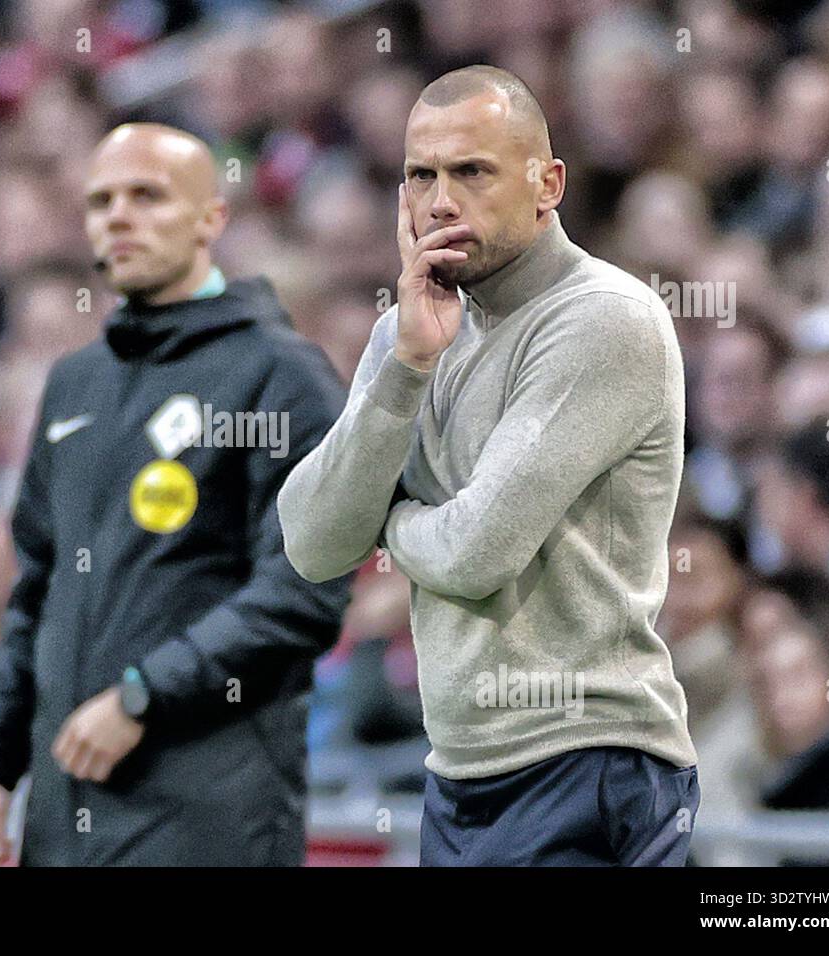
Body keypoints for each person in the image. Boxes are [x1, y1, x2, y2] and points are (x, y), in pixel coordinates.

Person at [278, 65, 700, 866]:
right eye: (420, 175)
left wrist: (393, 522)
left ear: (549, 184)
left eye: (472, 171)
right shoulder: (411, 332)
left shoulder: (604, 319)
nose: (440, 200)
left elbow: (476, 553)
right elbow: (311, 541)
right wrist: (404, 369)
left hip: (589, 760)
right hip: (461, 772)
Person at [0, 123, 351, 866]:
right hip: (64, 819)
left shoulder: (281, 378)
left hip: (211, 822)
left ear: (212, 220)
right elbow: (35, 590)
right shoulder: (73, 386)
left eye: (147, 196)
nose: (119, 217)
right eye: (101, 202)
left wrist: (145, 696)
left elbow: (303, 593)